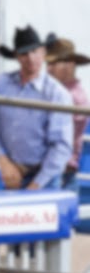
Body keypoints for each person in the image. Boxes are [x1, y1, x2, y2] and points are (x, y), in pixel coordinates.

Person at [0, 26, 73, 190]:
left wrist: (36, 185)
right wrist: (3, 160)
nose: (30, 58)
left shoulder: (57, 94)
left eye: (34, 51)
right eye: (24, 53)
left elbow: (61, 146)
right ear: (17, 56)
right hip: (12, 173)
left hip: (46, 177)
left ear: (43, 52)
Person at [46, 35, 90, 192]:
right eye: (49, 63)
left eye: (53, 63)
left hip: (60, 173)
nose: (49, 68)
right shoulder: (54, 91)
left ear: (69, 65)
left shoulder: (75, 97)